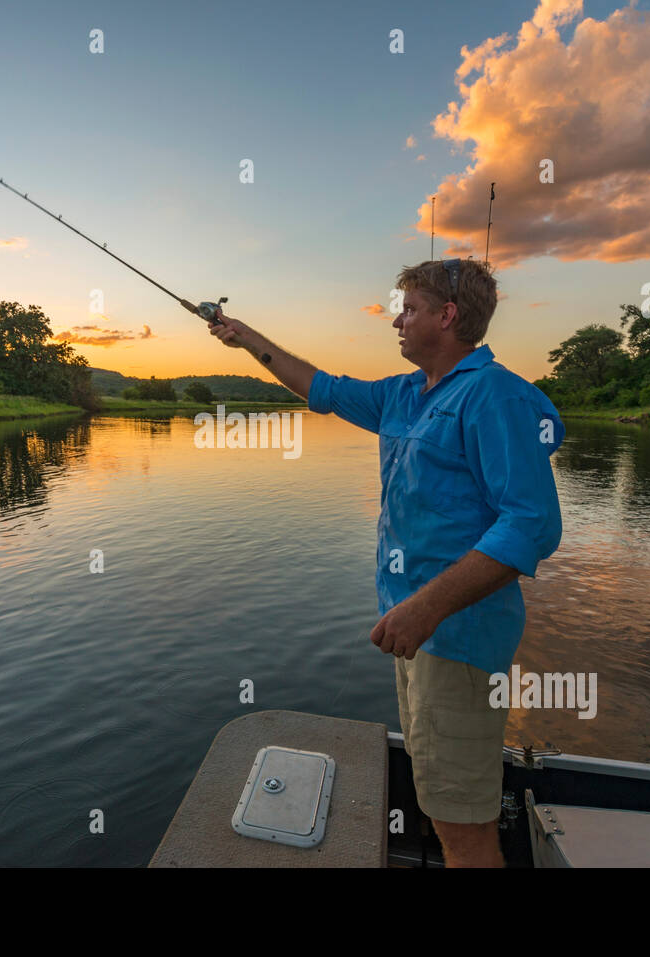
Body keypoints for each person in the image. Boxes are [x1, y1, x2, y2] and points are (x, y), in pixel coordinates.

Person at [206, 258, 563, 867]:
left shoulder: (493, 395)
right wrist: (243, 337)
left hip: (458, 640)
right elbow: (319, 387)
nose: (397, 320)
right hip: (419, 633)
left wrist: (425, 608)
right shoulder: (403, 395)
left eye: (410, 308)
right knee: (440, 803)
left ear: (447, 317)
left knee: (463, 823)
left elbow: (531, 525)